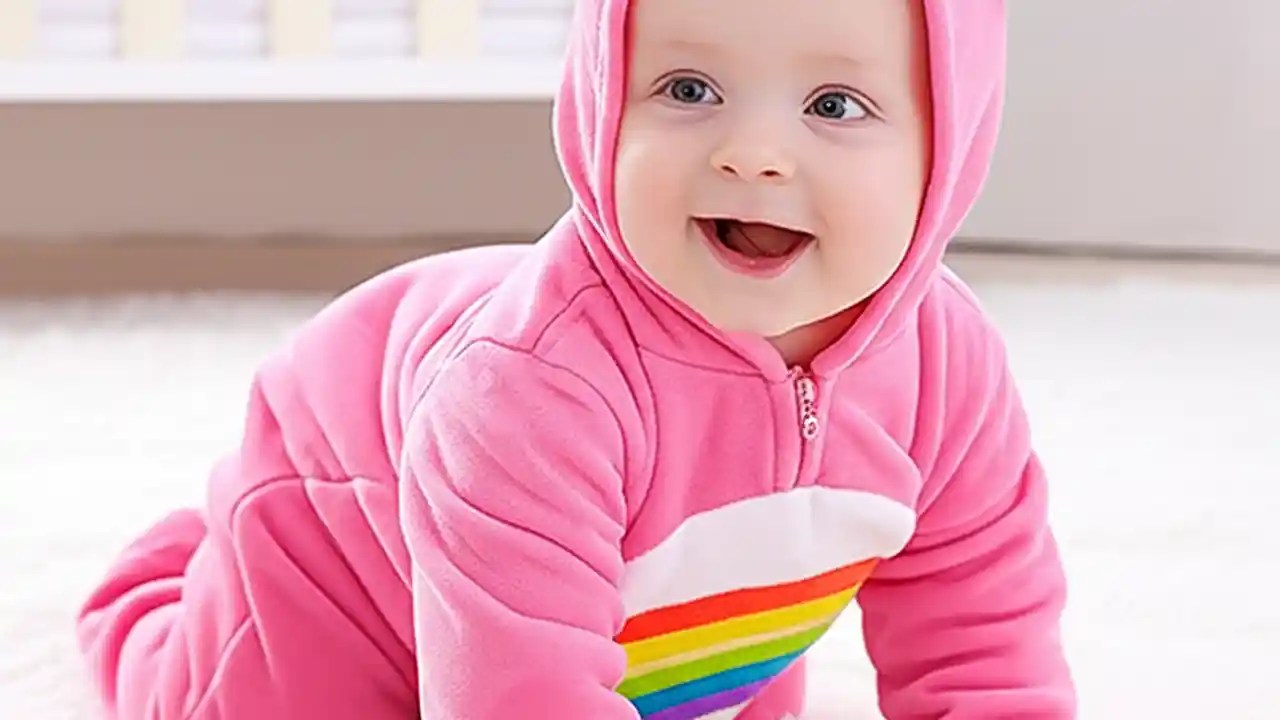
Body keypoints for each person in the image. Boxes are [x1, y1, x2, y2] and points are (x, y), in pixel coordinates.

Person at [76, 0, 1077, 717]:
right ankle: (167, 580)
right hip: (340, 574)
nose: (753, 153)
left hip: (679, 634)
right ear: (602, 102)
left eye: (834, 106)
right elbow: (520, 697)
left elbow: (983, 641)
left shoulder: (948, 368)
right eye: (687, 88)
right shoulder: (530, 390)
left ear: (947, 144)